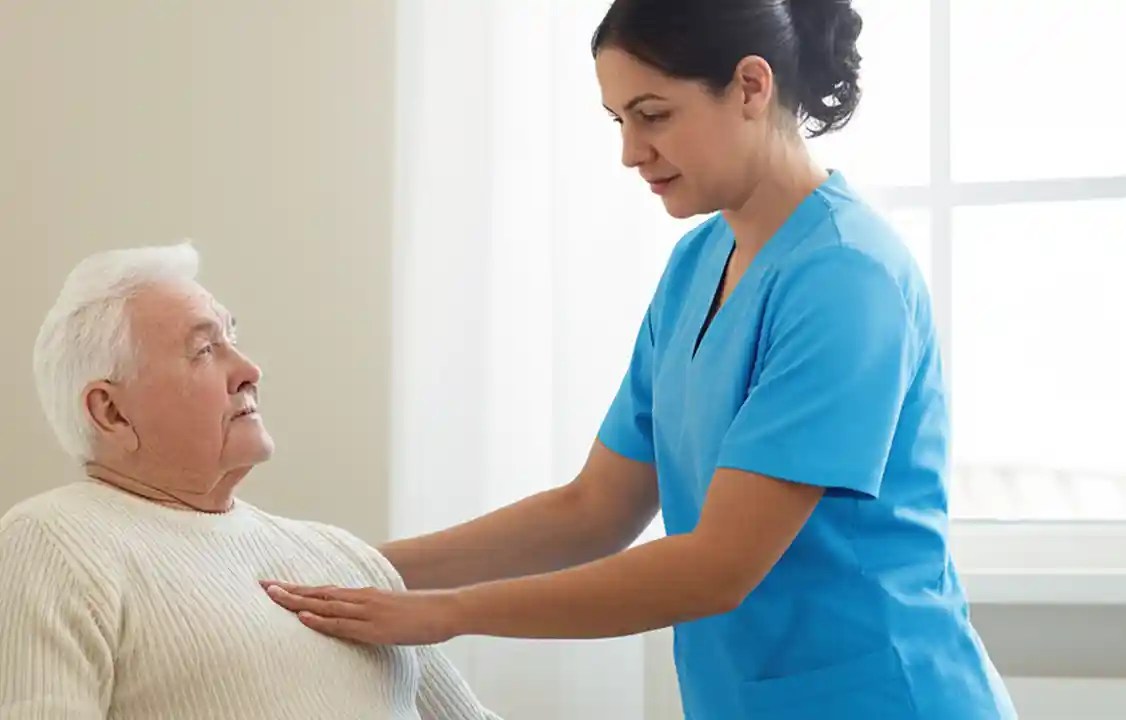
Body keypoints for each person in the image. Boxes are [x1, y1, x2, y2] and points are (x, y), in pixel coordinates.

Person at [265, 0, 1016, 717]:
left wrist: (445, 613)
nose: (631, 152)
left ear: (750, 87)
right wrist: (360, 566)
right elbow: (594, 508)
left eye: (653, 115)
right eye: (619, 120)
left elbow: (717, 566)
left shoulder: (847, 278)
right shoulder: (696, 265)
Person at [0, 243, 497, 720]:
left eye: (232, 340)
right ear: (111, 412)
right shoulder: (52, 540)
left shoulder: (343, 555)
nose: (249, 370)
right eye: (203, 350)